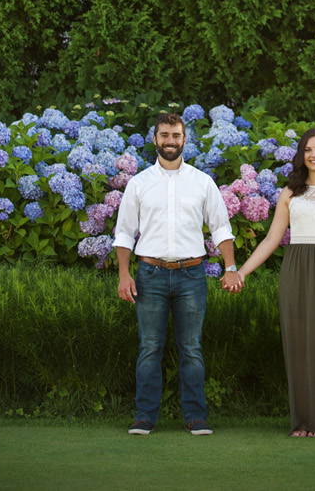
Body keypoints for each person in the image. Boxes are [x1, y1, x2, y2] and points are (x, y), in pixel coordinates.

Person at [222, 128, 315, 437]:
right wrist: (241, 272)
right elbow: (272, 239)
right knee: (300, 347)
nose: (314, 154)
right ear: (301, 155)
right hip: (297, 272)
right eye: (308, 149)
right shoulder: (289, 193)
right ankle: (304, 421)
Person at [111, 112, 238, 437]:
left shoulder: (202, 182)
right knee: (149, 347)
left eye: (176, 135)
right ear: (155, 140)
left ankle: (196, 417)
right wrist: (124, 275)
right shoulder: (139, 184)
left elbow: (221, 227)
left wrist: (230, 266)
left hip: (192, 275)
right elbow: (124, 233)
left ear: (185, 140)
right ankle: (144, 417)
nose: (170, 140)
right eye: (164, 135)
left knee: (191, 348)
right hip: (149, 275)